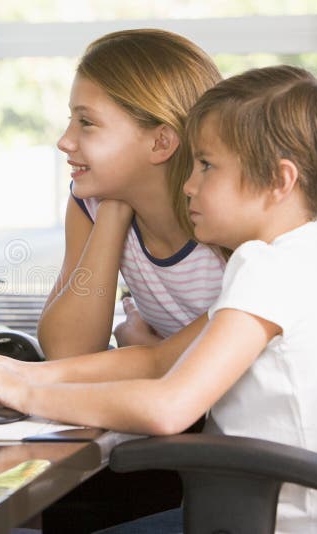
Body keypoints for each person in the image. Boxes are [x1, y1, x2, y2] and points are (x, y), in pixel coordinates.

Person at [0, 65, 317, 532]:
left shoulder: (267, 269)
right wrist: (21, 371)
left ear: (280, 181)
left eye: (207, 166)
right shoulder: (315, 262)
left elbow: (167, 407)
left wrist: (28, 392)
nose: (190, 184)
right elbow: (160, 360)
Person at [38, 29, 226, 358]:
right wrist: (113, 213)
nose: (64, 141)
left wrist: (147, 351)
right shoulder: (91, 204)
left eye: (86, 122)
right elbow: (66, 351)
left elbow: (245, 366)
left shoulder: (229, 219)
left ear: (160, 142)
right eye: (71, 118)